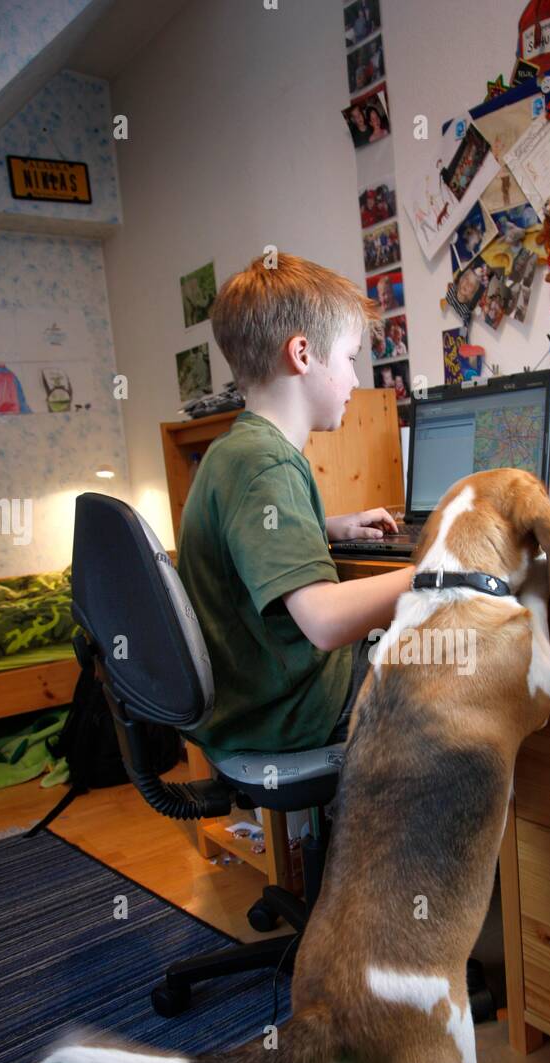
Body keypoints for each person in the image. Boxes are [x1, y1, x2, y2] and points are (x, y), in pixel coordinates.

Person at [177, 253, 414, 762]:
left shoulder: (231, 451)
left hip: (247, 703)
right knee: (459, 648)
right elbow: (324, 621)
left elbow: (242, 537)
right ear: (303, 355)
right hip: (288, 712)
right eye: (350, 358)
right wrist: (441, 570)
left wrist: (322, 526)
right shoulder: (268, 464)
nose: (355, 381)